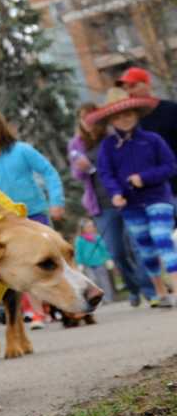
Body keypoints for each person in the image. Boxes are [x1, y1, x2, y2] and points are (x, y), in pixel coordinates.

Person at [91, 86, 177, 304]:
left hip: (159, 197)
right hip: (130, 205)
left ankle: (175, 285)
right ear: (111, 120)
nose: (124, 119)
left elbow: (170, 166)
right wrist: (116, 193)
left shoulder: (153, 139)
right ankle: (160, 292)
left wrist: (145, 177)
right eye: (118, 117)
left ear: (137, 114)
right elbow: (105, 173)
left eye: (128, 114)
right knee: (146, 248)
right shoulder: (107, 147)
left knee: (162, 238)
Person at [69, 99, 158, 305]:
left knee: (138, 245)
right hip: (100, 204)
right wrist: (82, 167)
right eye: (84, 118)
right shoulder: (76, 144)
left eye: (92, 116)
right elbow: (77, 175)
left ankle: (149, 289)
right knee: (117, 252)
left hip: (127, 198)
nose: (88, 122)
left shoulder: (113, 137)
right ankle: (134, 287)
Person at [119, 67, 177, 152]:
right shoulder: (129, 120)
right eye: (125, 89)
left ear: (147, 85)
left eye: (133, 86)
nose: (129, 92)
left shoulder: (171, 110)